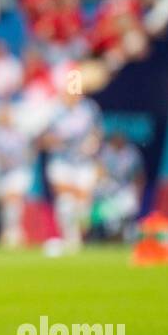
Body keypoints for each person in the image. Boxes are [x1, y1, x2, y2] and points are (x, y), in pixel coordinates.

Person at [43, 86, 102, 252]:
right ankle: (71, 240)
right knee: (65, 201)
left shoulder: (89, 109)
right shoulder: (54, 111)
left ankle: (81, 237)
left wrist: (92, 143)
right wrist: (57, 141)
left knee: (83, 207)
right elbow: (44, 138)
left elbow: (98, 132)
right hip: (62, 161)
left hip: (83, 163)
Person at [0, 103, 34, 247]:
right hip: (0, 175)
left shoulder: (20, 134)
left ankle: (13, 232)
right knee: (7, 205)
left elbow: (26, 156)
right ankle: (9, 232)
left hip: (17, 173)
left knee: (13, 201)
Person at [94, 130, 144, 239]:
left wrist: (138, 195)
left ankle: (127, 236)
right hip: (106, 192)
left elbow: (139, 176)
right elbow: (98, 173)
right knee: (111, 224)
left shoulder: (131, 153)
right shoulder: (104, 151)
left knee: (130, 205)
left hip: (124, 191)